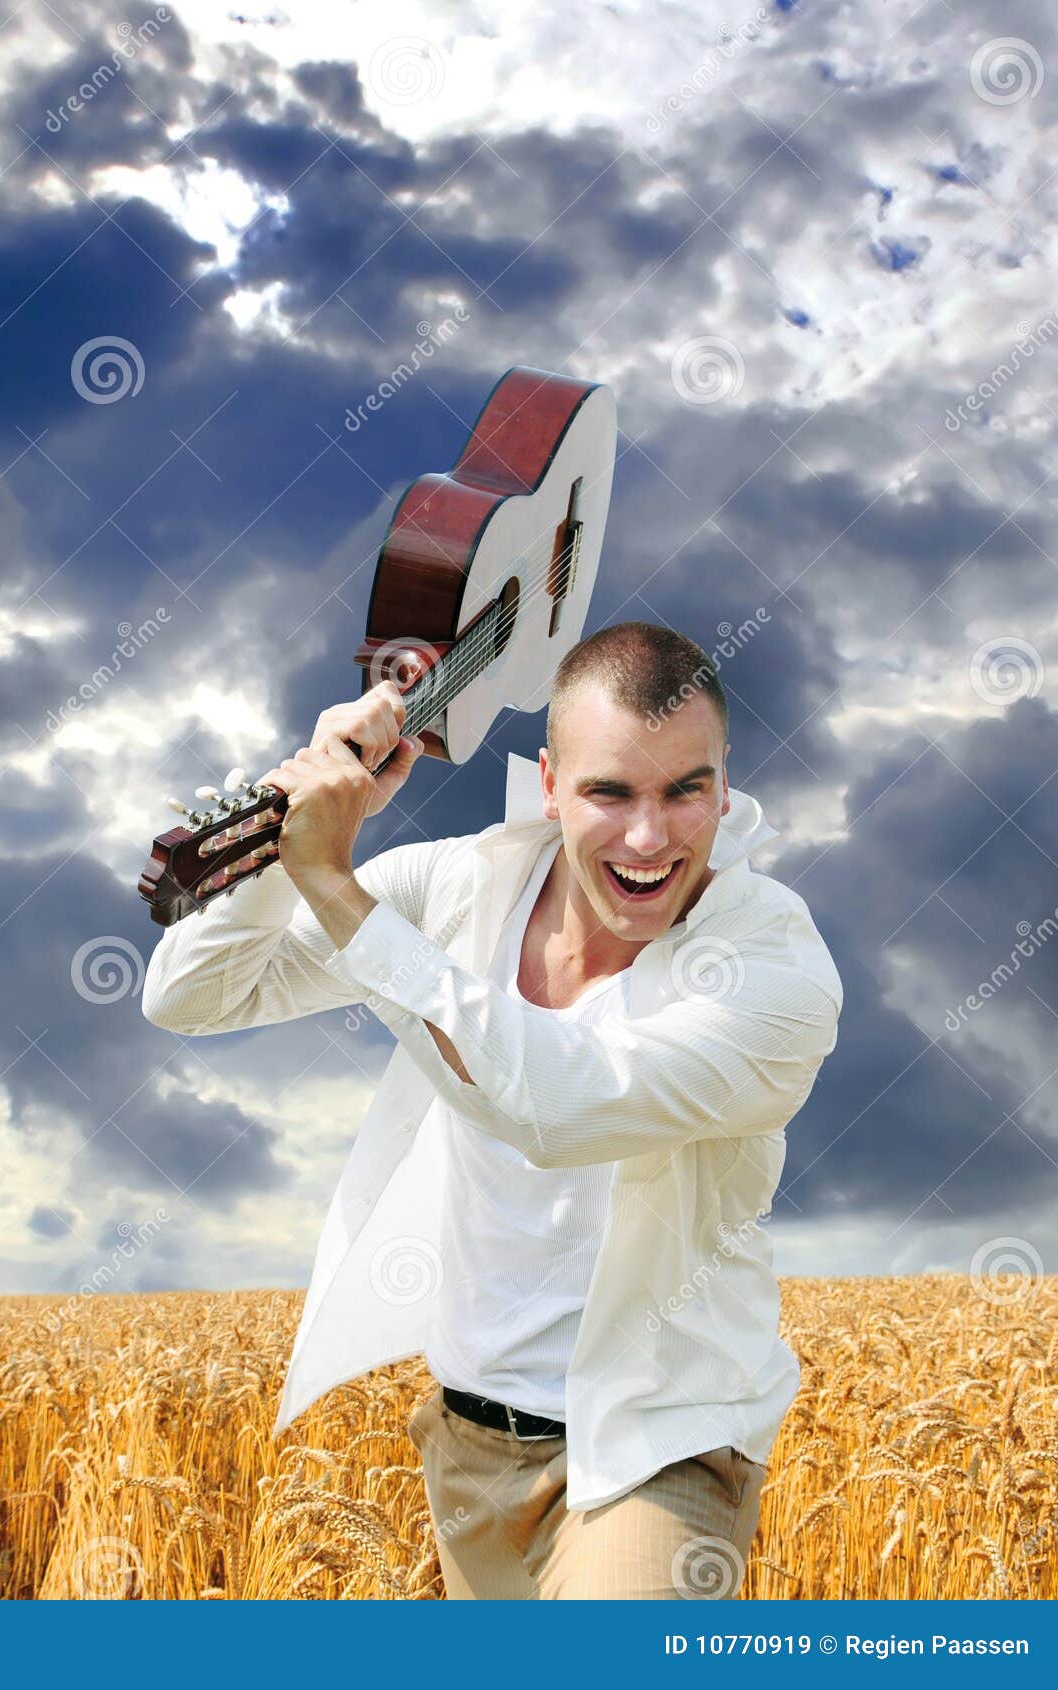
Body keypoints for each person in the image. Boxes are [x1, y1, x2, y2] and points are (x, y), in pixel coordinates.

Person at [141, 621, 843, 1598]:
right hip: (468, 1448)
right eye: (610, 792)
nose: (649, 837)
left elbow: (557, 1108)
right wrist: (292, 811)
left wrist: (334, 885)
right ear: (550, 784)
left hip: (655, 1448)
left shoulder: (771, 966)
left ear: (725, 788)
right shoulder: (458, 884)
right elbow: (192, 995)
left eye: (685, 790)